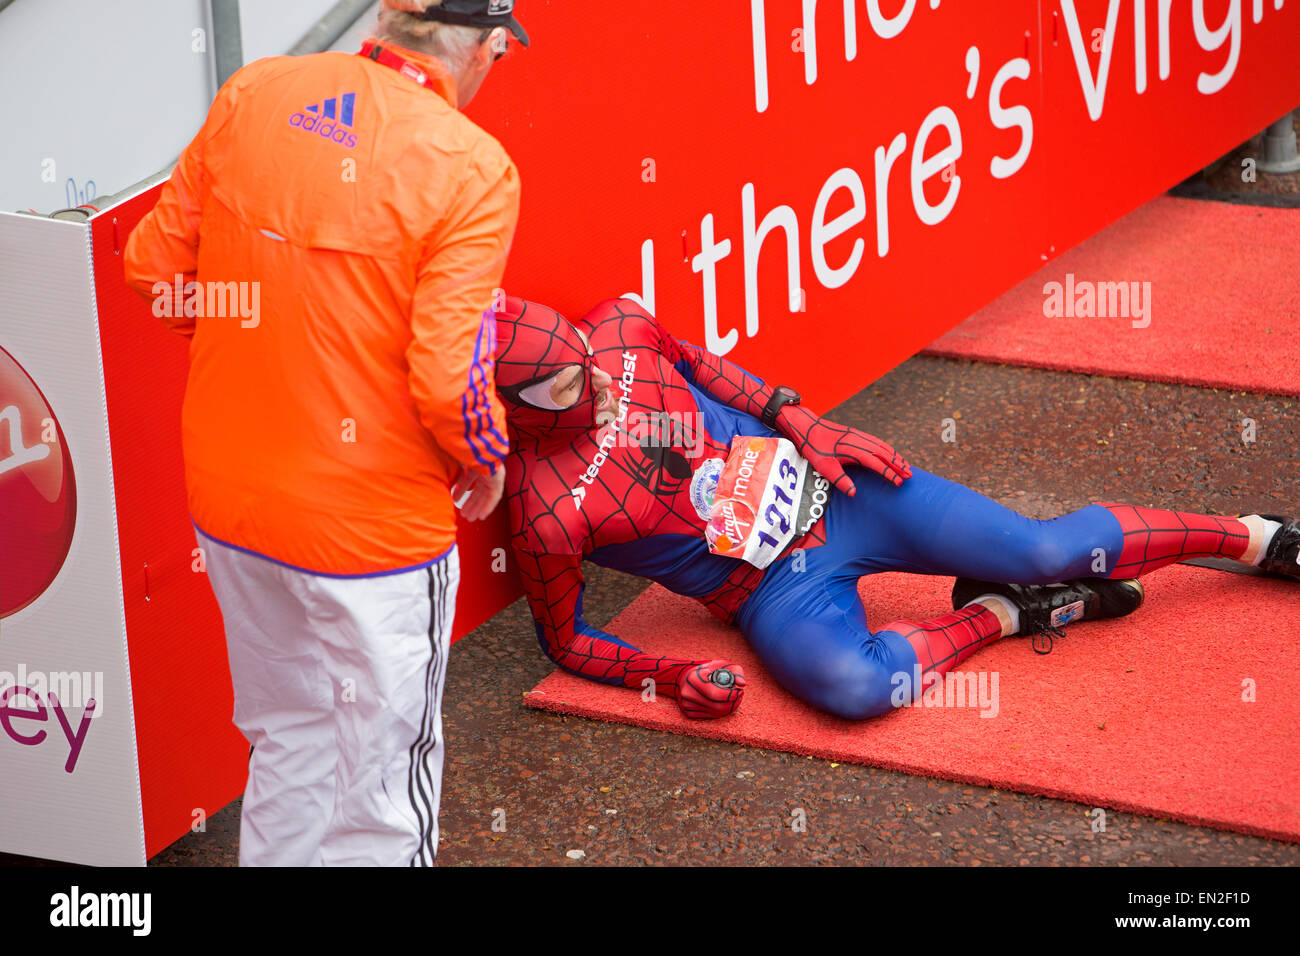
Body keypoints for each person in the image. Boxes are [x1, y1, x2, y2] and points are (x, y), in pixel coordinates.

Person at [123, 0, 529, 865]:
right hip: (373, 532)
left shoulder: (256, 90)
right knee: (384, 786)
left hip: (235, 505)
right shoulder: (472, 166)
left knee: (291, 736)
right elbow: (446, 379)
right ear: (490, 42)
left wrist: (266, 346)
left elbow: (156, 274)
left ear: (389, 14)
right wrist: (487, 454)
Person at [490, 294, 1299, 720]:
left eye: (581, 355)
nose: (592, 378)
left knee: (1046, 547)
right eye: (565, 383)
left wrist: (814, 426)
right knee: (853, 691)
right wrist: (671, 678)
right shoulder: (543, 511)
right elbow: (566, 644)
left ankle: (1258, 538)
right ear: (514, 407)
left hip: (840, 490)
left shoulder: (618, 328)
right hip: (772, 588)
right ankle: (1007, 616)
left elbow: (704, 364)